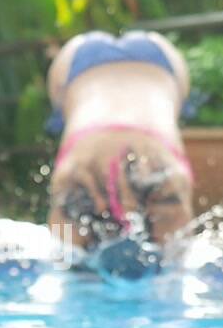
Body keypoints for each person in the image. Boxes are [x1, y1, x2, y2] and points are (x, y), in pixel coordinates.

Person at [47, 30, 194, 280]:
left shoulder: (77, 172)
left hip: (77, 61)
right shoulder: (161, 170)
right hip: (159, 56)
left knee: (69, 266)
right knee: (173, 268)